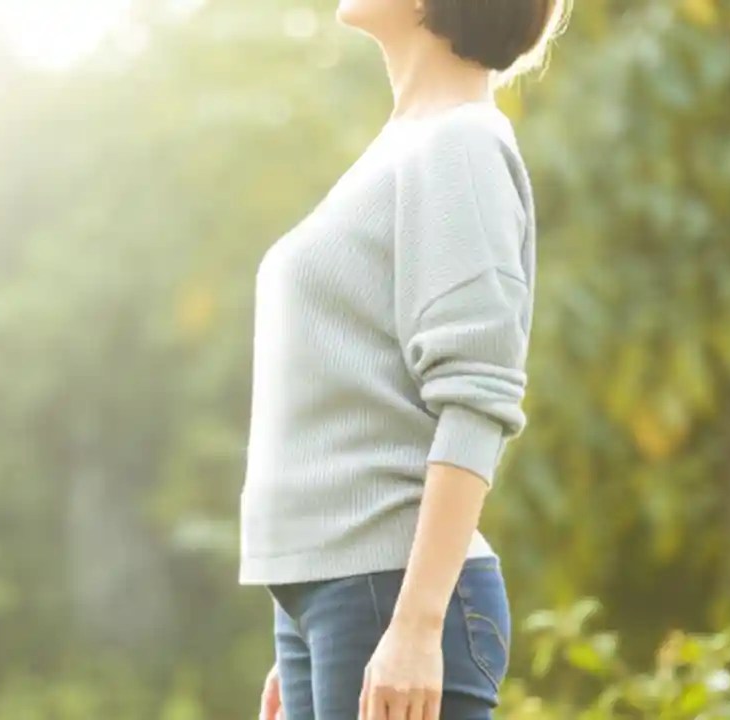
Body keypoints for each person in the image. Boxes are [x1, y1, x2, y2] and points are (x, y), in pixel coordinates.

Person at [239, 1, 569, 718]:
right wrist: (309, 632)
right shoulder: (404, 145)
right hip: (338, 600)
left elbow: (476, 396)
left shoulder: (462, 146)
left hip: (392, 594)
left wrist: (415, 624)